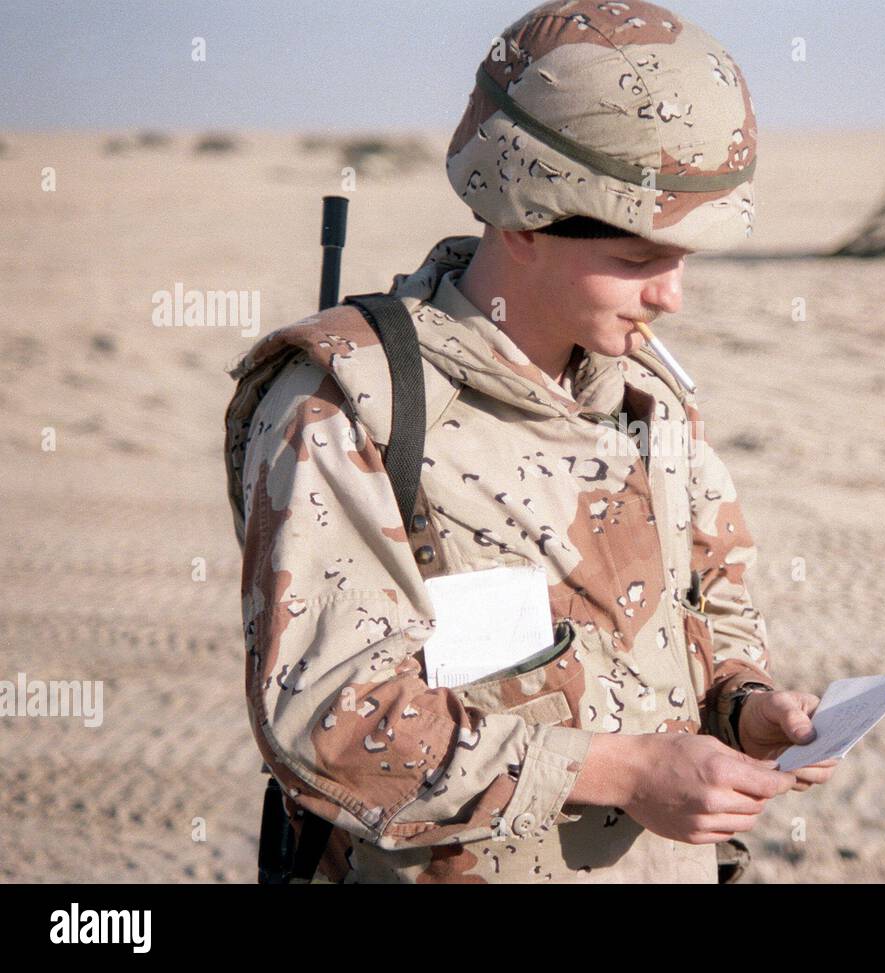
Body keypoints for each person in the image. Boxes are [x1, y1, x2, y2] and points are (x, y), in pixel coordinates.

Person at [222, 0, 837, 884]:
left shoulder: (646, 396)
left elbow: (708, 612)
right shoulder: (349, 402)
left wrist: (748, 710)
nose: (673, 297)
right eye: (637, 261)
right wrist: (626, 771)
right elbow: (333, 719)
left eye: (685, 259)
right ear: (524, 219)